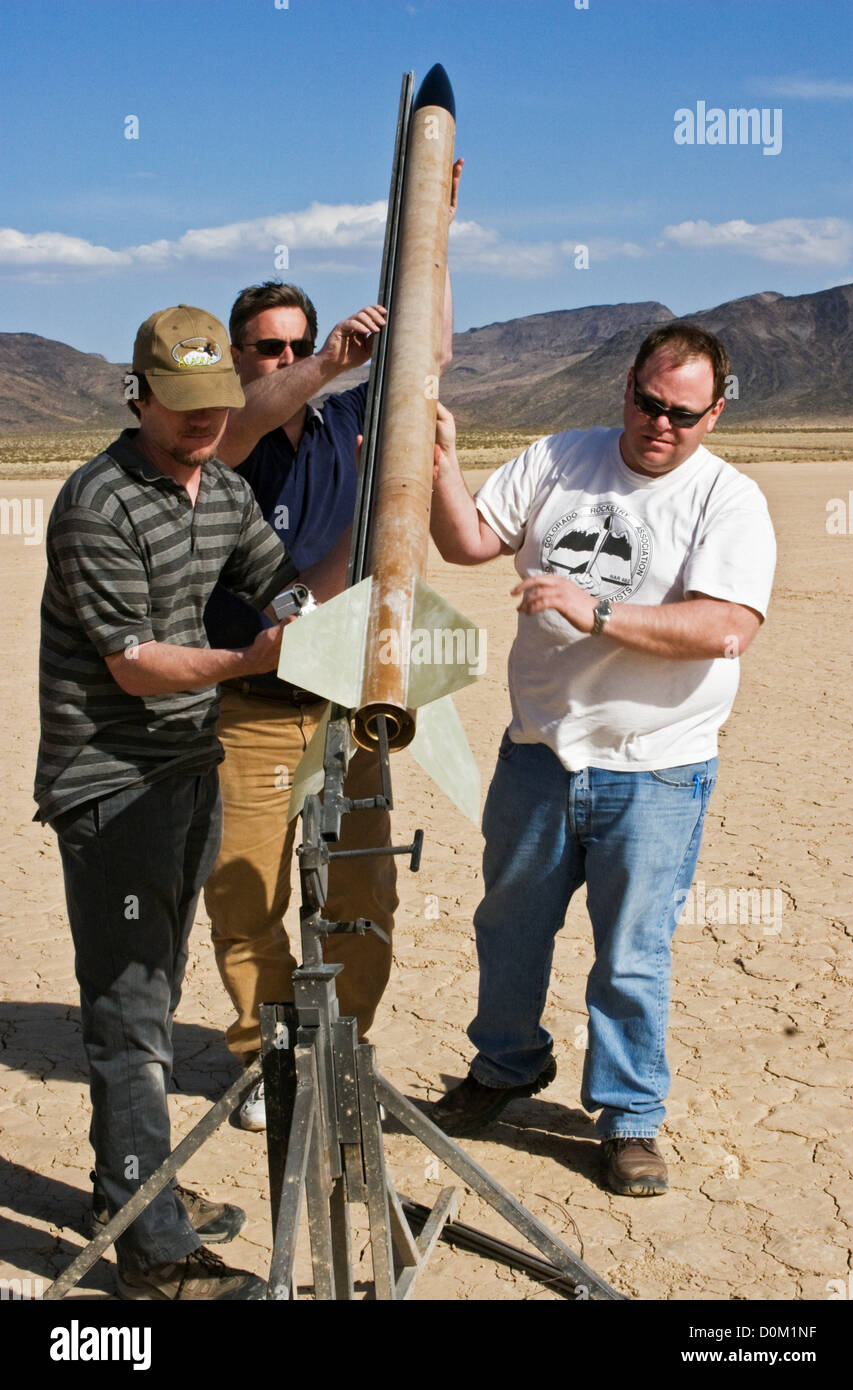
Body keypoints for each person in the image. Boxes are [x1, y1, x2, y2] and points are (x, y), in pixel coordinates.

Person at [426, 323, 777, 1196]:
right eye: (649, 403)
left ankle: (627, 1119)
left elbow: (727, 628)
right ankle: (504, 1069)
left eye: (683, 414)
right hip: (539, 753)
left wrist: (600, 614)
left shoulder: (727, 500)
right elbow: (468, 541)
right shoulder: (559, 459)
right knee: (508, 928)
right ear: (627, 387)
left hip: (656, 768)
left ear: (716, 415)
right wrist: (441, 462)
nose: (662, 425)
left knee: (630, 951)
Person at [35, 304, 302, 1299]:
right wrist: (249, 659)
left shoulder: (221, 488)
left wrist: (299, 615)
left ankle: (128, 1193)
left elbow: (269, 574)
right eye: (179, 403)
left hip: (188, 770)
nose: (199, 421)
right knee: (130, 1015)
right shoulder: (97, 502)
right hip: (114, 783)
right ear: (136, 393)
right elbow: (136, 665)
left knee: (153, 991)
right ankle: (150, 1255)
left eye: (214, 404)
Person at [202, 162, 462, 1131]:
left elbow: (423, 351)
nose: (287, 357)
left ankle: (341, 1047)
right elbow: (239, 424)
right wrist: (322, 367)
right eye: (269, 347)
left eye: (300, 343)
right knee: (247, 890)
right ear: (238, 355)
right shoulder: (218, 435)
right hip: (251, 703)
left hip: (352, 698)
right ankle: (268, 1063)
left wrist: (434, 221)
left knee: (360, 889)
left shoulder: (355, 425)